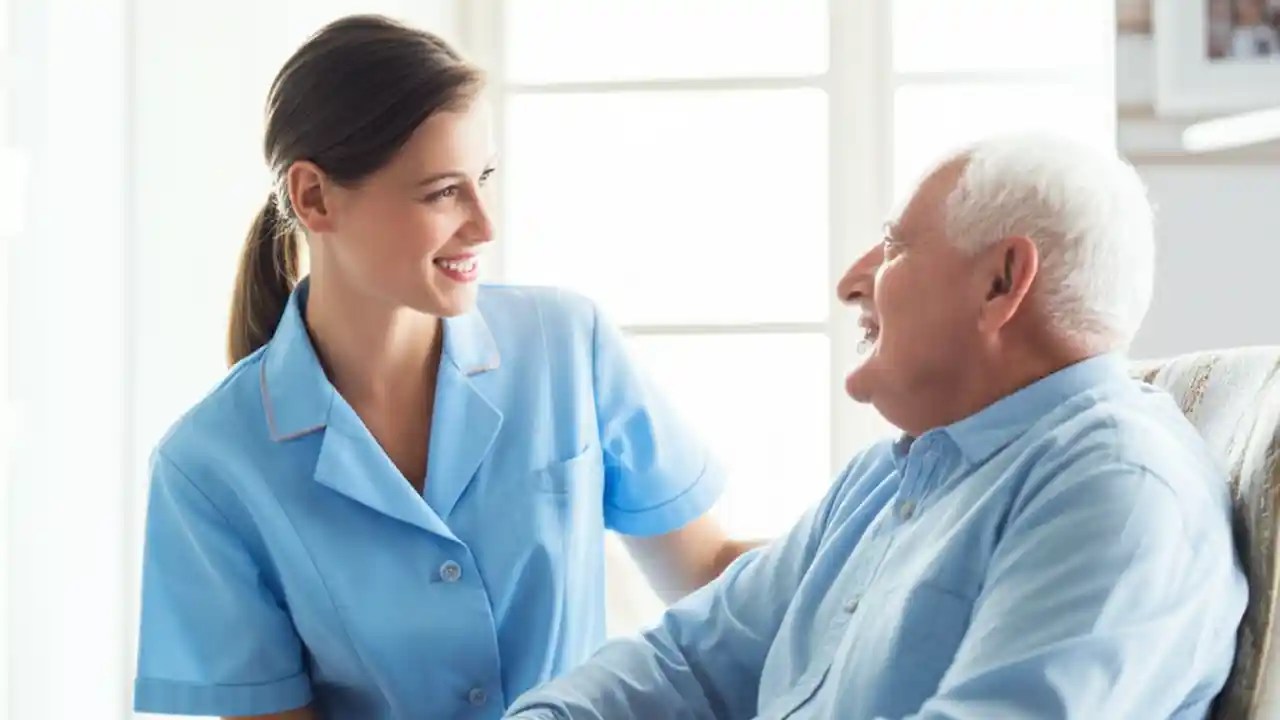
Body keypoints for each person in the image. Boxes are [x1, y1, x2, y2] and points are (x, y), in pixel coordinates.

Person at [132, 14, 754, 720]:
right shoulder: (207, 469)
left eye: (484, 178)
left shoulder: (567, 344)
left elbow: (706, 575)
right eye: (442, 192)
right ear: (314, 198)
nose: (486, 224)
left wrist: (885, 552)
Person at [506, 134, 1249, 719]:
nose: (851, 281)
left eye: (894, 246)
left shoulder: (1113, 488)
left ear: (1001, 282)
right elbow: (690, 665)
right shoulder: (892, 473)